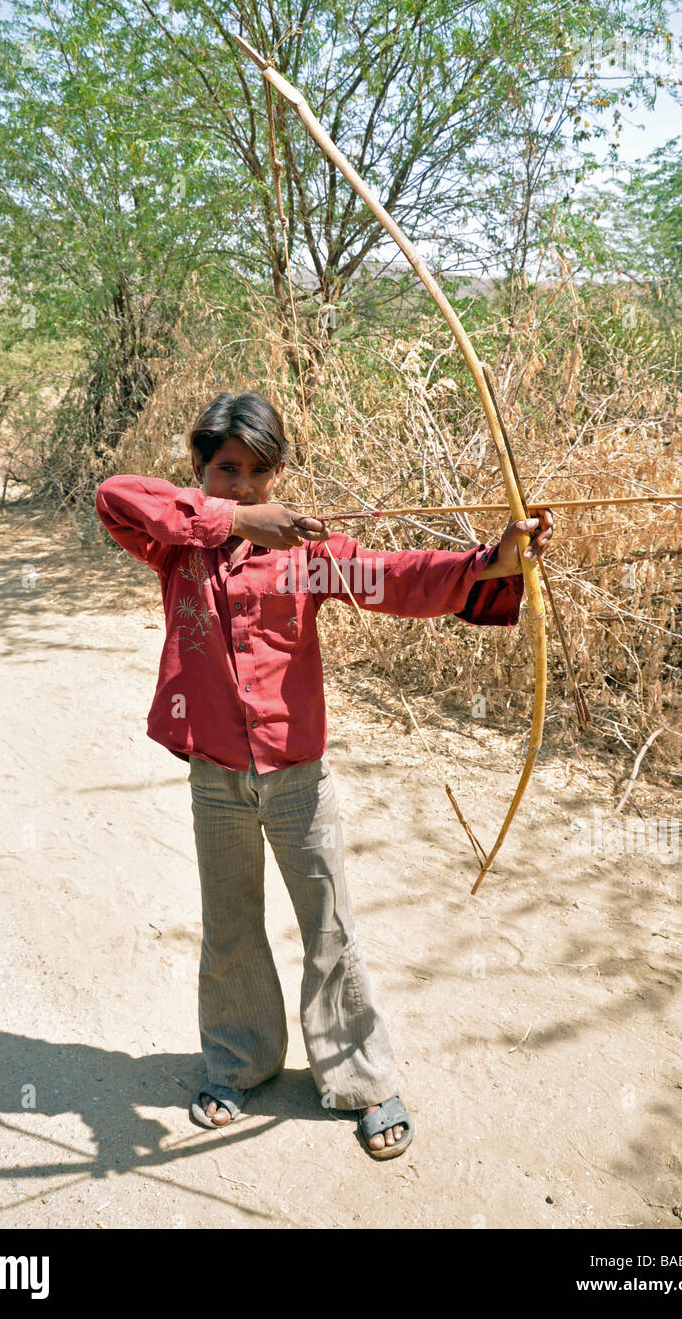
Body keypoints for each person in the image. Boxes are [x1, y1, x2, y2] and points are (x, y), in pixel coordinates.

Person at [95, 390, 553, 1160]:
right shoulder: (176, 543)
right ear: (200, 468)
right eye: (224, 470)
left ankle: (360, 1081)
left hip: (297, 778)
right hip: (215, 776)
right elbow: (116, 497)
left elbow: (397, 576)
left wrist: (492, 562)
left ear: (278, 473)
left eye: (256, 474)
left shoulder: (310, 553)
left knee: (330, 931)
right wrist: (233, 520)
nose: (240, 484)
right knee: (230, 926)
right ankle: (239, 1062)